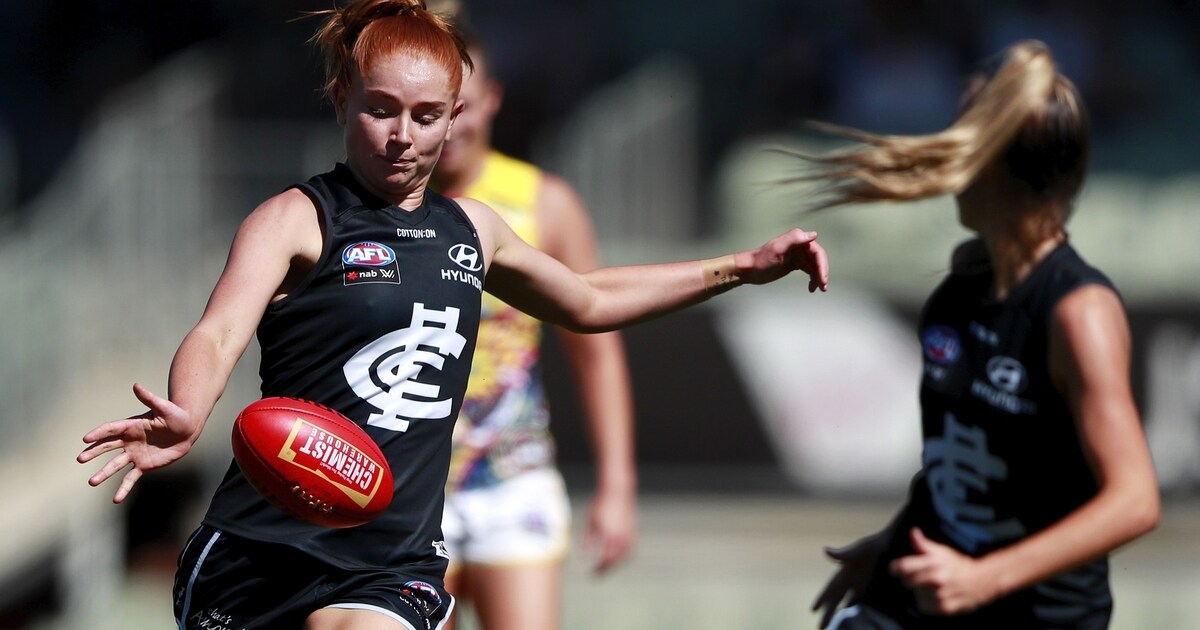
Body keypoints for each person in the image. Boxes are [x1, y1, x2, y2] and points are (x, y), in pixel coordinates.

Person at [75, 2, 829, 629]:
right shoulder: (297, 218)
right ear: (342, 98)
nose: (403, 135)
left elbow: (590, 301)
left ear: (455, 118)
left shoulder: (475, 229)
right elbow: (218, 331)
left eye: (427, 115)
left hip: (389, 564)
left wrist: (742, 267)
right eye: (381, 109)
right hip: (257, 553)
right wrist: (190, 408)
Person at [797, 40, 1159, 629]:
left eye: (957, 137)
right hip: (930, 603)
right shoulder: (960, 292)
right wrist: (895, 542)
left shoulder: (1077, 311)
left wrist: (983, 578)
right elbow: (970, 462)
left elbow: (1136, 500)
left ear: (989, 161)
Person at [430, 31, 637, 630]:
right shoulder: (376, 207)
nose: (450, 125)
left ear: (493, 99)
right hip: (405, 485)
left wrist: (617, 486)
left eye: (462, 105)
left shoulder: (546, 203)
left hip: (511, 476)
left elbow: (596, 351)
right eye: (434, 109)